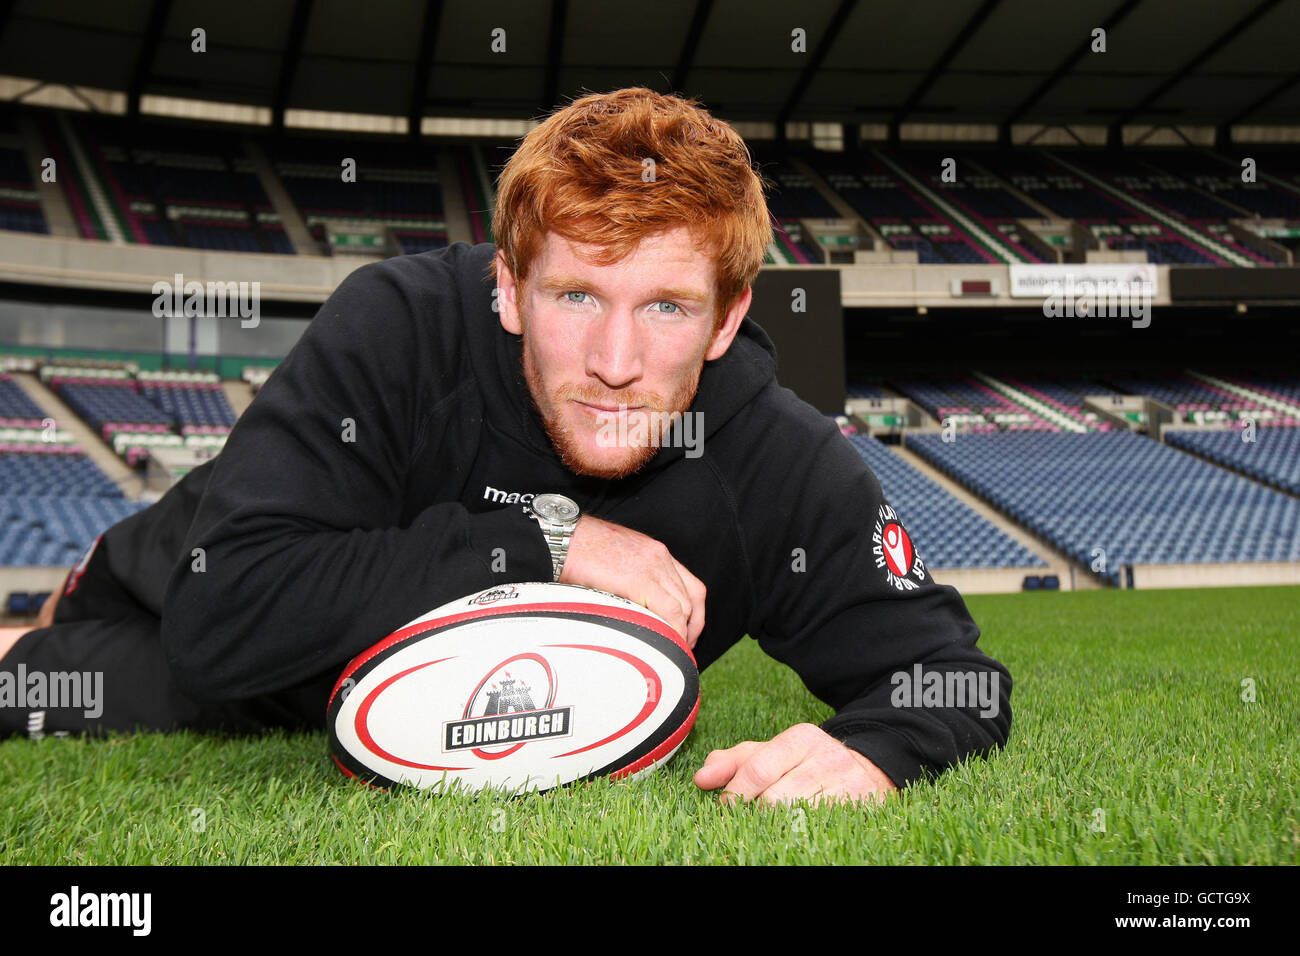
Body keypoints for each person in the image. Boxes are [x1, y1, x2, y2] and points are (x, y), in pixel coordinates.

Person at [0, 87, 1011, 805]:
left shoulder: (775, 461)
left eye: (664, 304)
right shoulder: (399, 324)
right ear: (507, 286)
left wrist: (877, 749)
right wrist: (544, 542)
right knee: (33, 677)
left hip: (352, 692)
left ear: (725, 316)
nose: (615, 360)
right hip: (189, 599)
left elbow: (950, 676)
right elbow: (223, 615)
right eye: (575, 294)